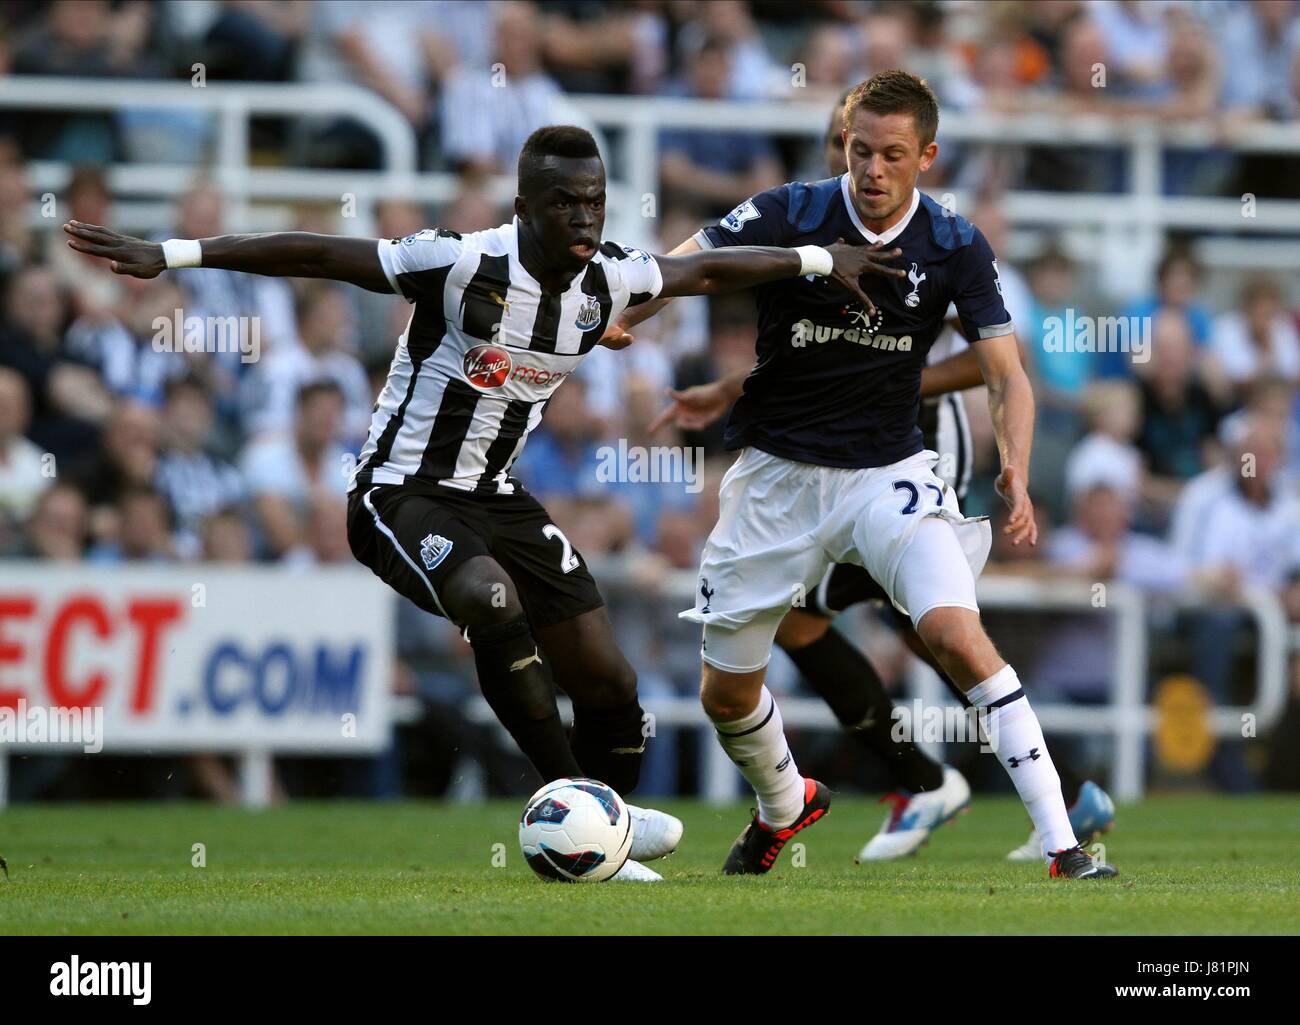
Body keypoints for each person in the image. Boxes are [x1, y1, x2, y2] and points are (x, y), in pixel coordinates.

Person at [63, 123, 901, 883]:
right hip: (398, 491)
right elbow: (320, 255)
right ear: (524, 207)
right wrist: (174, 254)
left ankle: (596, 825)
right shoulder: (462, 263)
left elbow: (706, 269)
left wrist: (825, 260)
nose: (583, 217)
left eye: (595, 201)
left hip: (495, 496)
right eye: (565, 202)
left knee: (610, 681)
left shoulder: (606, 282)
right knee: (489, 600)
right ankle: (578, 809)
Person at [610, 71, 1118, 879]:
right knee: (726, 696)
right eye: (859, 151)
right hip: (776, 480)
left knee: (953, 634)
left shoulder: (954, 243)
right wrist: (623, 310)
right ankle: (787, 802)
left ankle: (1064, 845)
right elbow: (695, 263)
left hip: (890, 473)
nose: (872, 171)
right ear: (842, 143)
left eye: (891, 155)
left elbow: (1006, 375)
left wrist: (1014, 467)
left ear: (927, 156)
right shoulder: (793, 211)